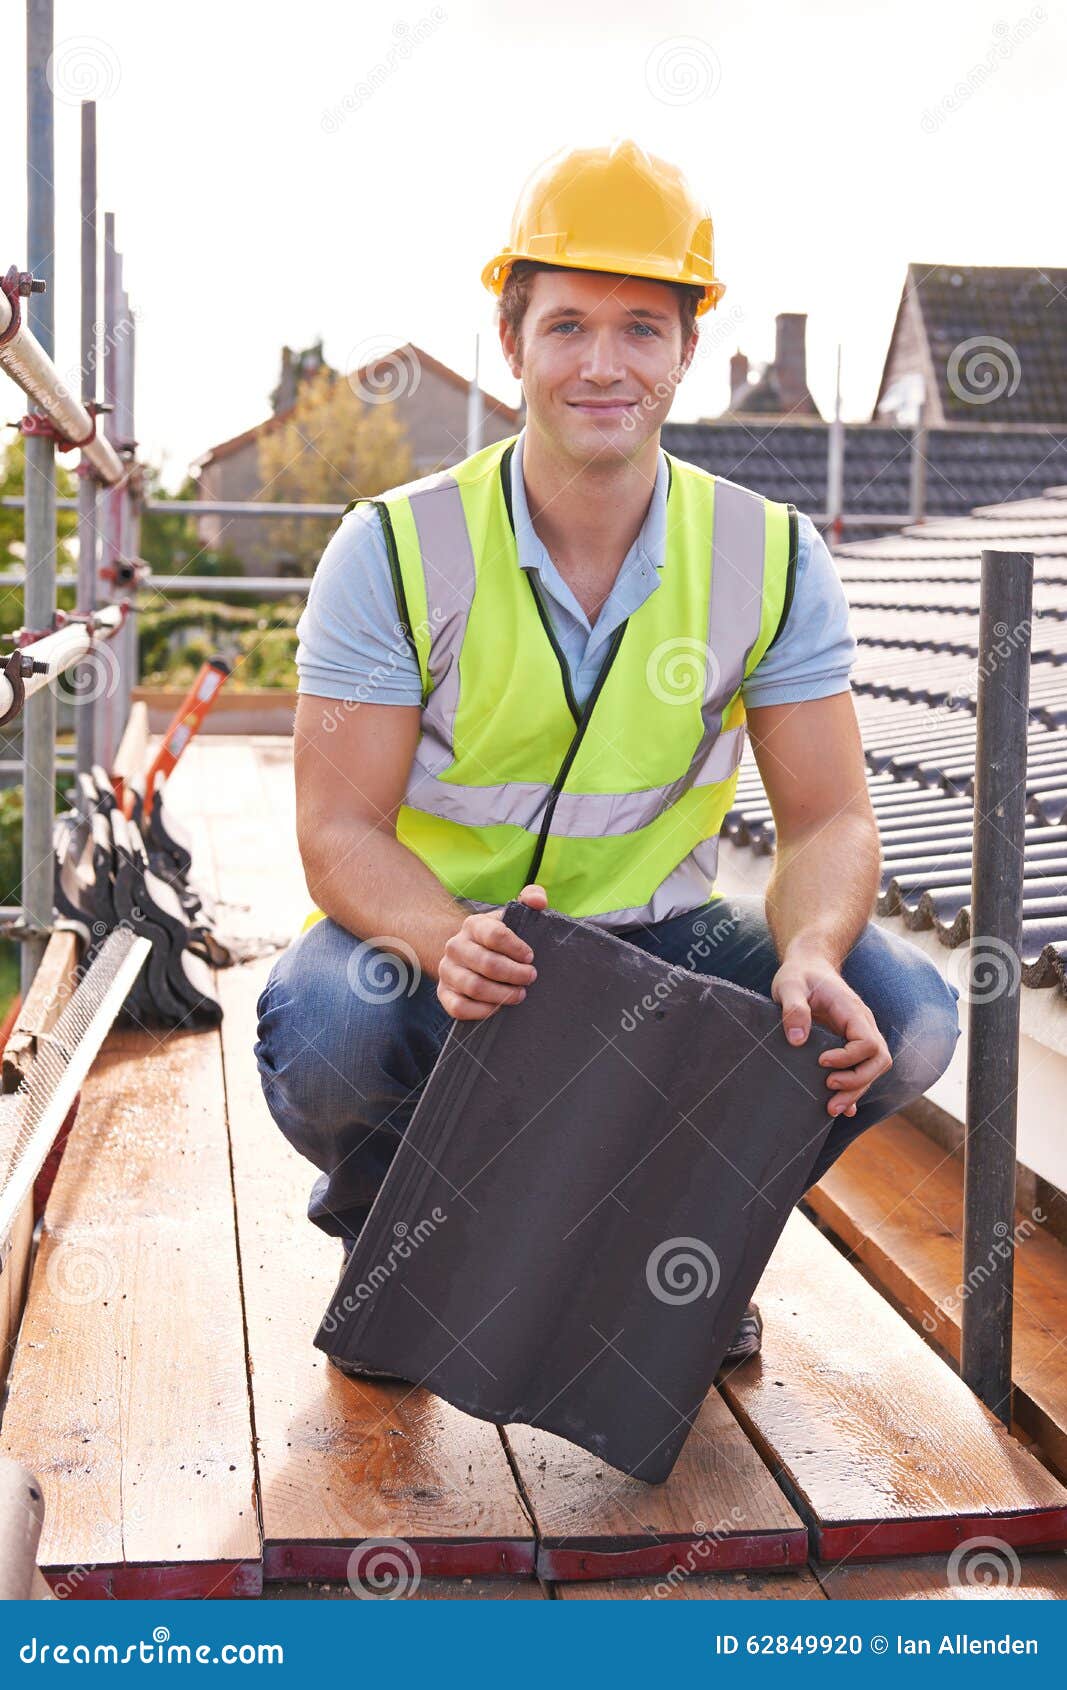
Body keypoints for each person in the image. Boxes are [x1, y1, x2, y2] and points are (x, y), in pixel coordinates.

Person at [254, 139, 961, 1383]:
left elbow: (830, 821)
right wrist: (440, 934)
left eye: (640, 328)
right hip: (454, 943)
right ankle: (391, 1237)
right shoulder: (395, 549)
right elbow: (338, 831)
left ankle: (682, 1255)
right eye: (567, 324)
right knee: (328, 1028)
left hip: (659, 939)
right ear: (510, 338)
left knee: (899, 1015)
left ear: (684, 351)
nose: (600, 363)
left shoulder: (771, 553)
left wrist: (805, 950)